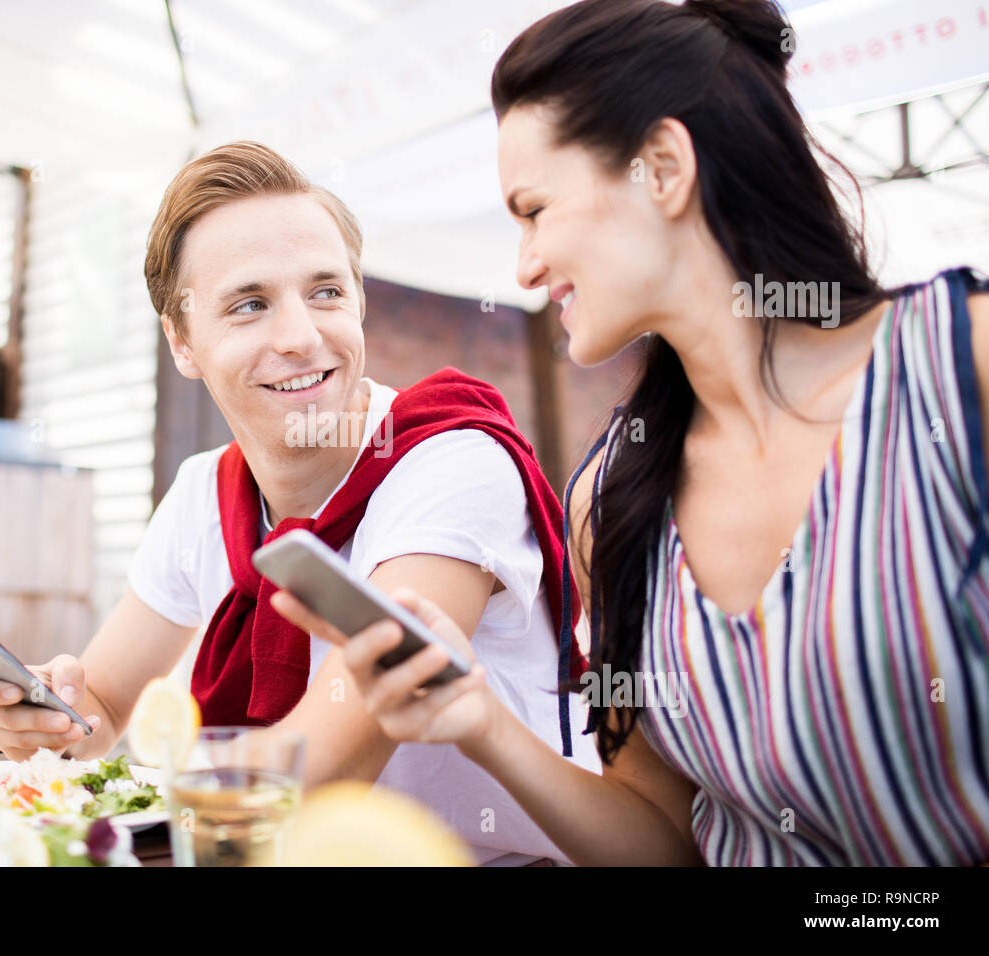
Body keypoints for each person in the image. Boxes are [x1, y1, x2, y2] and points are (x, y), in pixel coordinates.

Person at [272, 0, 989, 866]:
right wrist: (481, 722)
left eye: (534, 210)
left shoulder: (961, 371)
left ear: (662, 167)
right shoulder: (613, 502)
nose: (525, 266)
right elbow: (662, 839)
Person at [0, 140, 602, 865]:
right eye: (249, 304)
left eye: (327, 292)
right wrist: (45, 716)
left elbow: (319, 767)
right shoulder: (205, 493)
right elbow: (100, 712)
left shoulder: (451, 463)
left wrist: (157, 775)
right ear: (182, 340)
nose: (301, 336)